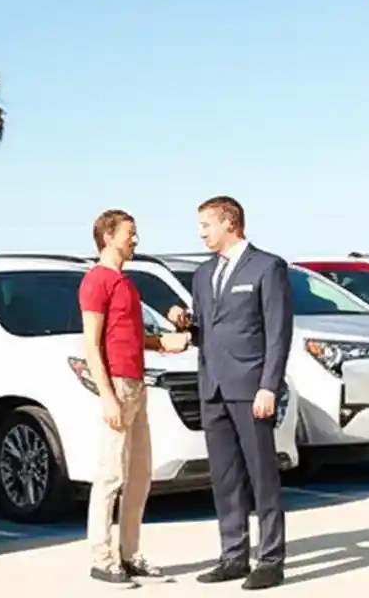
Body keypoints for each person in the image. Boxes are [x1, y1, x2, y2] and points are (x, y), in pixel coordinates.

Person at [166, 195, 292, 590]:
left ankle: (270, 560)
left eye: (206, 225)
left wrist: (268, 385)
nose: (201, 233)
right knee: (225, 477)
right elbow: (208, 329)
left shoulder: (267, 267)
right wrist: (185, 328)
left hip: (251, 387)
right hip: (213, 387)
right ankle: (233, 555)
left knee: (262, 476)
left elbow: (277, 333)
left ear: (230, 223)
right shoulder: (203, 275)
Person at [79, 208, 190, 584]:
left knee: (140, 474)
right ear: (107, 236)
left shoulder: (127, 283)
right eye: (130, 232)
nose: (135, 239)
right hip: (118, 385)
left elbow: (128, 336)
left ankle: (129, 552)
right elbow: (92, 345)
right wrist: (108, 397)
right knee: (110, 473)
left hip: (138, 384)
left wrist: (161, 343)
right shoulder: (96, 281)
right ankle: (101, 556)